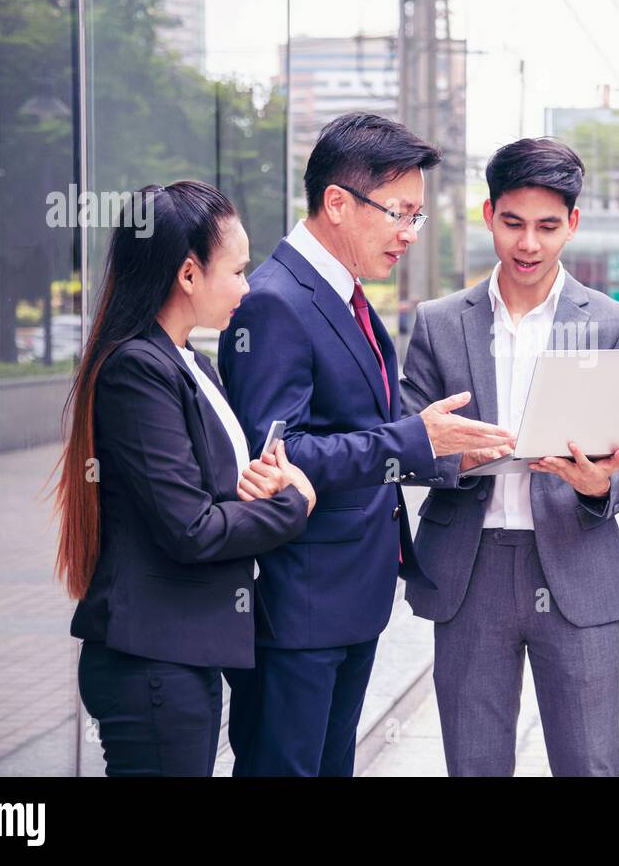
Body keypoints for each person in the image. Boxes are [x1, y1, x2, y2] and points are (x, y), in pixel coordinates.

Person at [218, 113, 513, 776]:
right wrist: (414, 440)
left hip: (346, 595)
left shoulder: (341, 292)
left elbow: (354, 428)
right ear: (336, 203)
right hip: (298, 600)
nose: (410, 232)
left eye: (417, 215)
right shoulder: (276, 301)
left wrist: (442, 448)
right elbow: (277, 455)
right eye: (399, 213)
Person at [400, 138, 619, 776]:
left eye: (547, 227)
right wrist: (452, 460)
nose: (528, 245)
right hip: (470, 568)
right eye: (513, 223)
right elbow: (407, 442)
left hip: (576, 560)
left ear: (572, 224)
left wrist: (601, 485)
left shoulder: (614, 324)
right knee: (475, 763)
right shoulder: (438, 322)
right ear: (488, 214)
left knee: (590, 764)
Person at [54, 180, 317, 777]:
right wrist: (293, 502)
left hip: (179, 656)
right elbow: (190, 528)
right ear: (189, 275)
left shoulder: (190, 363)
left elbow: (212, 496)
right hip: (150, 663)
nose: (248, 288)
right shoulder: (137, 370)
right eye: (238, 271)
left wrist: (262, 485)